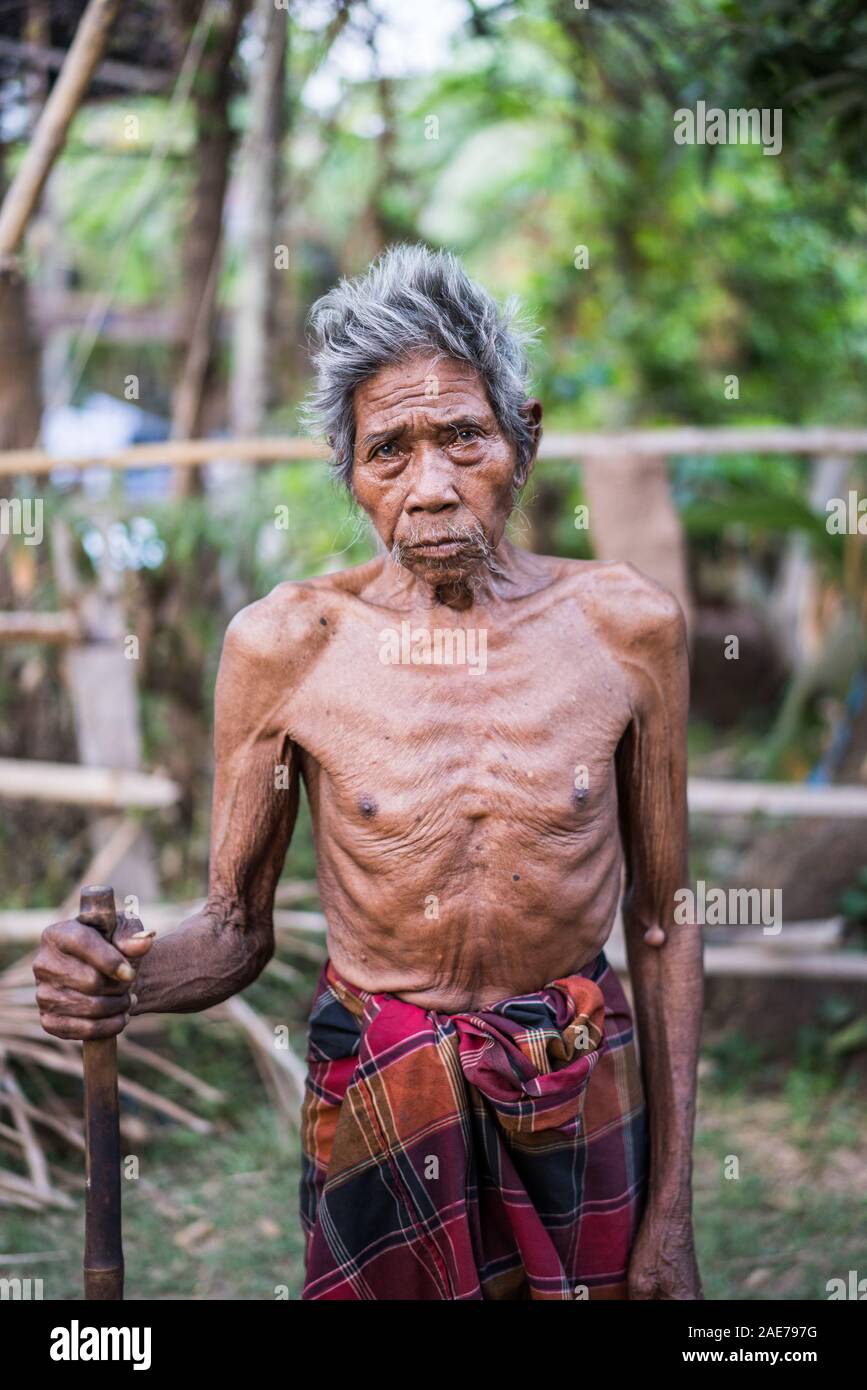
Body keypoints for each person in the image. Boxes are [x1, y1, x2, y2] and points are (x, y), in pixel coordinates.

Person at [33, 244, 703, 1301]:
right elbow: (235, 930)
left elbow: (663, 921)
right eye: (390, 450)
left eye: (464, 438)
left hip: (572, 1078)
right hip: (383, 1085)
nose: (432, 488)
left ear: (525, 439)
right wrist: (117, 977)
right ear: (347, 471)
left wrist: (672, 1213)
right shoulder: (286, 646)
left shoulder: (626, 629)